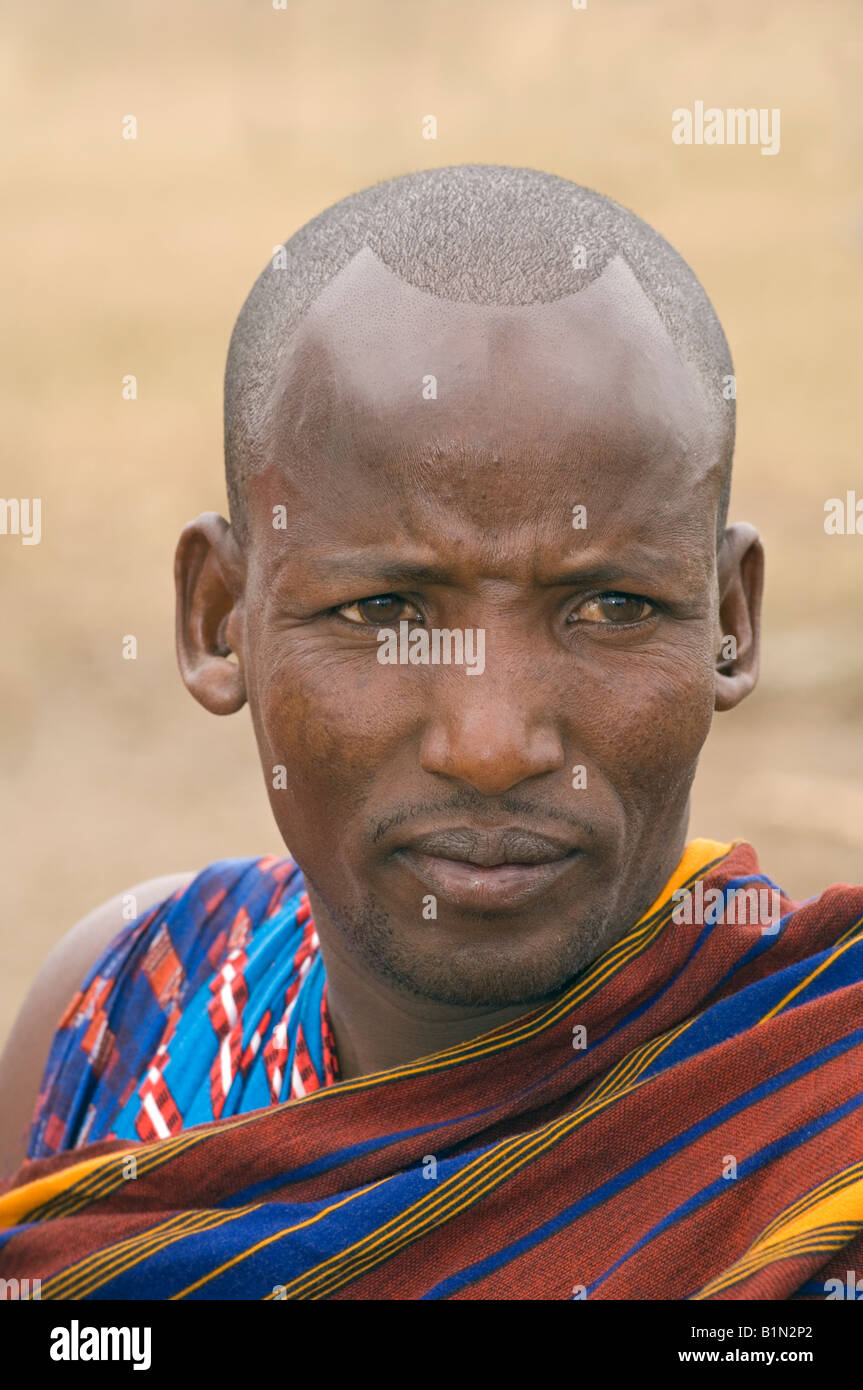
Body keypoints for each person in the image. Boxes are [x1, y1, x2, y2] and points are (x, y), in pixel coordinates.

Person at [1, 165, 861, 1301]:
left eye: (610, 607)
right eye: (384, 609)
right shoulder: (123, 1009)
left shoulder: (817, 1143)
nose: (493, 743)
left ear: (729, 625)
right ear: (219, 619)